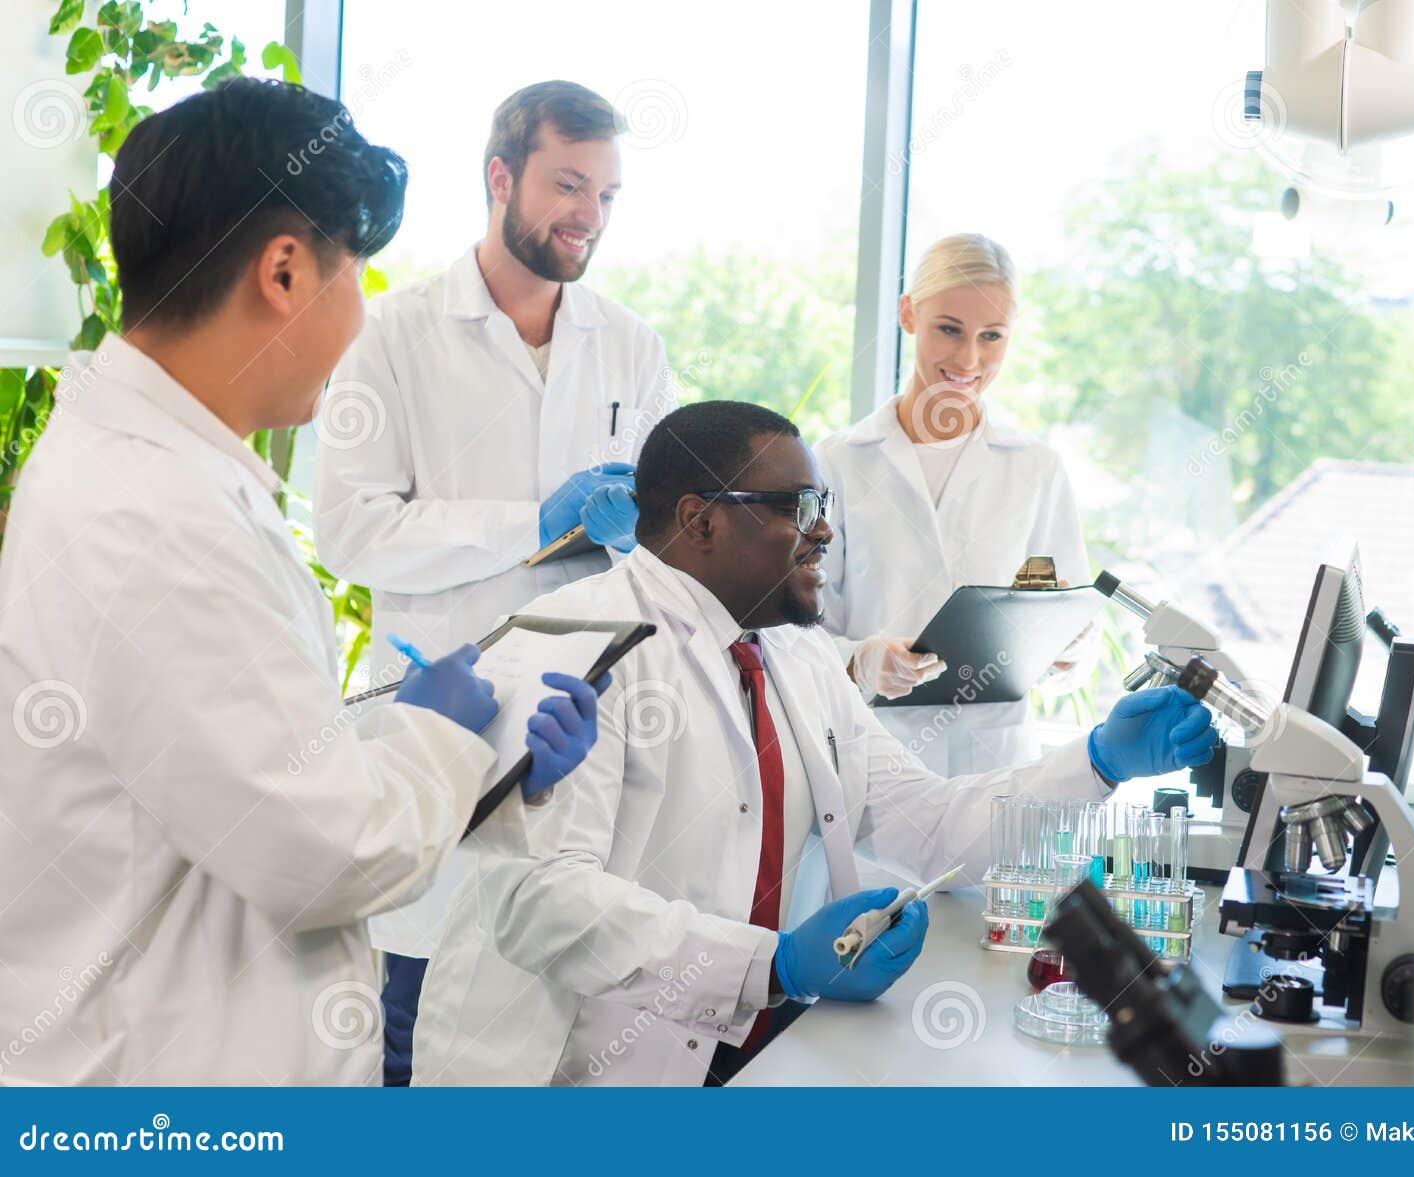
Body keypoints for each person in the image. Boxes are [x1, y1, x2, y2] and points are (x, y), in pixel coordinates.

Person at [0, 79, 603, 1086]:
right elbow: (328, 851)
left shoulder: (162, 468)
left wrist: (482, 759)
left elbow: (237, 756)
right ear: (283, 270)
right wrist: (444, 732)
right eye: (353, 271)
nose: (360, 314)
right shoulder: (152, 515)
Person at [411, 401, 1216, 1086]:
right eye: (795, 504)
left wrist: (1096, 762)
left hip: (738, 1058)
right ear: (701, 520)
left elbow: (931, 824)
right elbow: (543, 904)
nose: (824, 529)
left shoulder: (792, 655)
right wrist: (776, 965)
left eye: (822, 501)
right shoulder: (577, 642)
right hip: (566, 1083)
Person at [310, 80, 678, 1080]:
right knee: (417, 1032)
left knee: (552, 1042)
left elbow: (658, 550)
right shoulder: (391, 336)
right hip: (442, 733)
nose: (587, 216)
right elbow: (348, 529)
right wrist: (532, 524)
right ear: (499, 176)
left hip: (577, 742)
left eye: (606, 195)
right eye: (567, 185)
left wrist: (639, 532)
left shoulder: (631, 347)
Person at [817, 233, 1096, 776]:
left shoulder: (1035, 467)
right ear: (908, 314)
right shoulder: (838, 462)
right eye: (949, 330)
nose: (969, 359)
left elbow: (1069, 631)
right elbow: (796, 636)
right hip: (873, 756)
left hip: (997, 764)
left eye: (992, 336)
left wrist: (1069, 650)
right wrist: (862, 662)